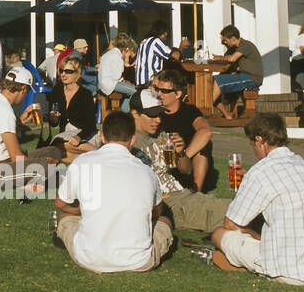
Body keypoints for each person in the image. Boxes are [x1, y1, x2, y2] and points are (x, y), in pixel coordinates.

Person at [208, 114, 304, 285]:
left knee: (220, 234)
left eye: (253, 145)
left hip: (288, 270)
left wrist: (256, 237)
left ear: (260, 141)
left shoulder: (261, 171)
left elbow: (232, 224)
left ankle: (249, 261)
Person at [53, 111, 173, 273]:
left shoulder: (83, 162)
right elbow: (157, 212)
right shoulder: (146, 171)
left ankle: (72, 237)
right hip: (138, 261)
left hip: (89, 258)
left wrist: (81, 211)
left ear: (102, 137)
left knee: (65, 217)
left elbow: (60, 203)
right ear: (132, 139)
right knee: (165, 220)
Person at [129, 88, 231, 234]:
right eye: (152, 115)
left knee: (234, 207)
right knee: (233, 216)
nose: (158, 120)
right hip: (168, 203)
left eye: (159, 114)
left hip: (185, 194)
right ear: (135, 114)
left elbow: (186, 171)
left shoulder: (161, 134)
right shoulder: (129, 141)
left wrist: (181, 152)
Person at [0, 68, 64, 190]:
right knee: (45, 165)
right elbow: (17, 158)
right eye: (28, 91)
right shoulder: (4, 109)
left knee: (53, 152)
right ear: (23, 89)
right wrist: (39, 163)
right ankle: (31, 183)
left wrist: (20, 121)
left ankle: (28, 182)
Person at [152, 67, 213, 192]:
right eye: (157, 89)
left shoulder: (189, 111)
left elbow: (206, 131)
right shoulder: (153, 112)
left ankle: (196, 191)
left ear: (178, 94)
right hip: (161, 160)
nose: (159, 94)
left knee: (204, 146)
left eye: (164, 91)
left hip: (184, 162)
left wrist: (183, 156)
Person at [211, 25, 264, 120]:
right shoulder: (233, 48)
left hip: (252, 78)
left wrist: (219, 57)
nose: (224, 43)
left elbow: (231, 59)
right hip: (243, 75)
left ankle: (206, 108)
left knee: (218, 81)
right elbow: (228, 59)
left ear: (233, 39)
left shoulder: (245, 45)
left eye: (226, 41)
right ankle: (227, 114)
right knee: (211, 81)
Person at [48, 53, 97, 146]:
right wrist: (53, 119)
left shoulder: (85, 94)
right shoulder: (57, 91)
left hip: (84, 136)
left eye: (68, 71)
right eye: (61, 71)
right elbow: (53, 123)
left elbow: (91, 125)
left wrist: (79, 137)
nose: (63, 74)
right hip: (65, 136)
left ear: (78, 73)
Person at [97, 33, 139, 111]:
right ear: (125, 48)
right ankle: (124, 113)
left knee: (129, 90)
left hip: (102, 83)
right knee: (135, 91)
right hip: (110, 84)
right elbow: (117, 76)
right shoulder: (117, 56)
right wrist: (125, 81)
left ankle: (124, 111)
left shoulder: (108, 54)